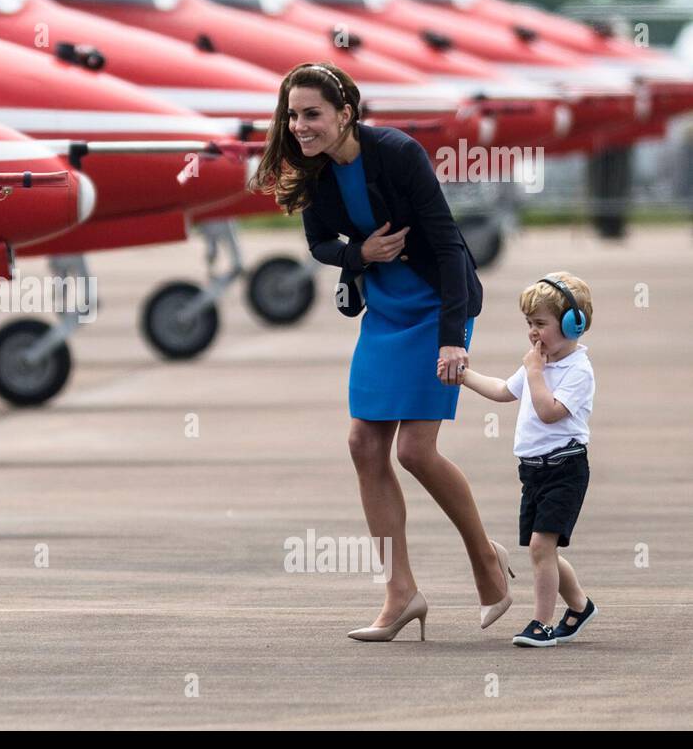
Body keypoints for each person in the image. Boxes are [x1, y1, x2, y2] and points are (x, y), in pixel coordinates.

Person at [251, 61, 511, 642]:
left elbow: (445, 241)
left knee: (417, 451)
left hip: (437, 305)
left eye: (311, 114)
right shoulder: (313, 169)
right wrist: (359, 254)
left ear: (346, 114)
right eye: (293, 115)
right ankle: (401, 592)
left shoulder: (398, 152)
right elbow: (320, 242)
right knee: (364, 443)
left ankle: (485, 558)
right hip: (386, 309)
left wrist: (451, 336)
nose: (299, 126)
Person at [457, 273, 597, 647]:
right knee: (542, 549)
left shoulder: (576, 371)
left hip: (564, 468)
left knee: (541, 547)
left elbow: (549, 411)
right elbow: (504, 391)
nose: (533, 333)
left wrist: (536, 372)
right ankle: (580, 606)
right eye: (528, 324)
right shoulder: (540, 362)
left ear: (572, 324)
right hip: (533, 472)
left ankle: (542, 623)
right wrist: (465, 376)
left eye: (540, 324)